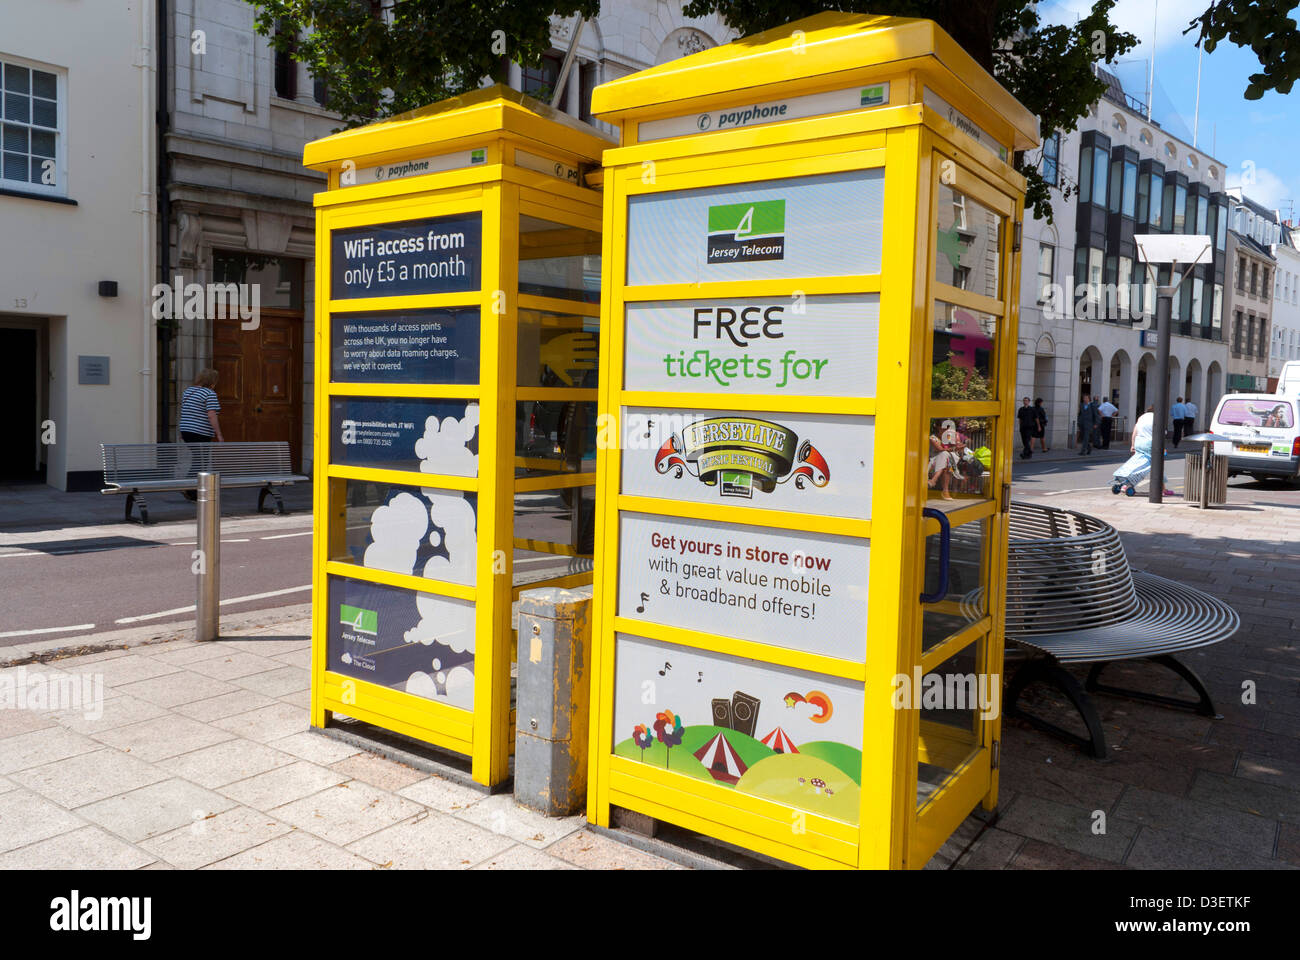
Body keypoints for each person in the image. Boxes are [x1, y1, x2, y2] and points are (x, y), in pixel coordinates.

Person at [179, 369, 223, 499]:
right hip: (200, 432)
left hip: (187, 431)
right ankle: (189, 489)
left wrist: (182, 431)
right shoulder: (209, 393)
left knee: (198, 460)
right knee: (200, 461)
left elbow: (185, 411)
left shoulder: (188, 391)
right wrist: (219, 433)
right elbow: (211, 415)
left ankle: (191, 489)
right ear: (212, 381)